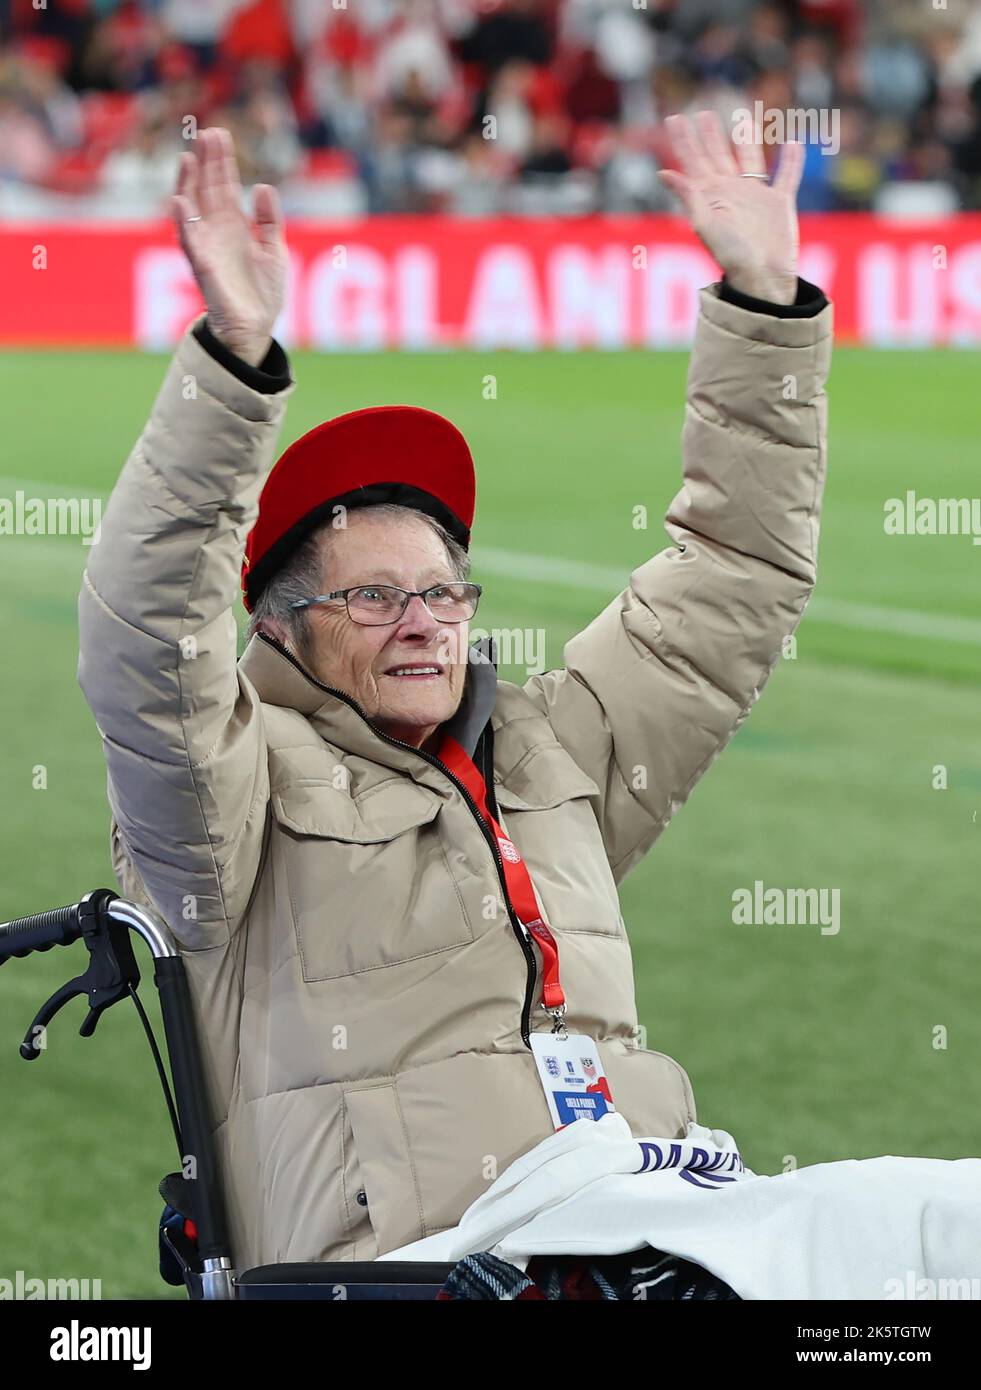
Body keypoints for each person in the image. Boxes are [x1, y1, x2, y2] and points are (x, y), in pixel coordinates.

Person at [76, 116, 832, 1271]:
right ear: (279, 628)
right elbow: (145, 640)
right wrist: (232, 362)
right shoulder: (232, 794)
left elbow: (734, 578)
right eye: (373, 598)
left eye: (442, 590)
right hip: (422, 1260)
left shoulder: (551, 745)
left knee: (941, 1229)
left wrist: (765, 307)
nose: (424, 618)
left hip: (649, 1210)